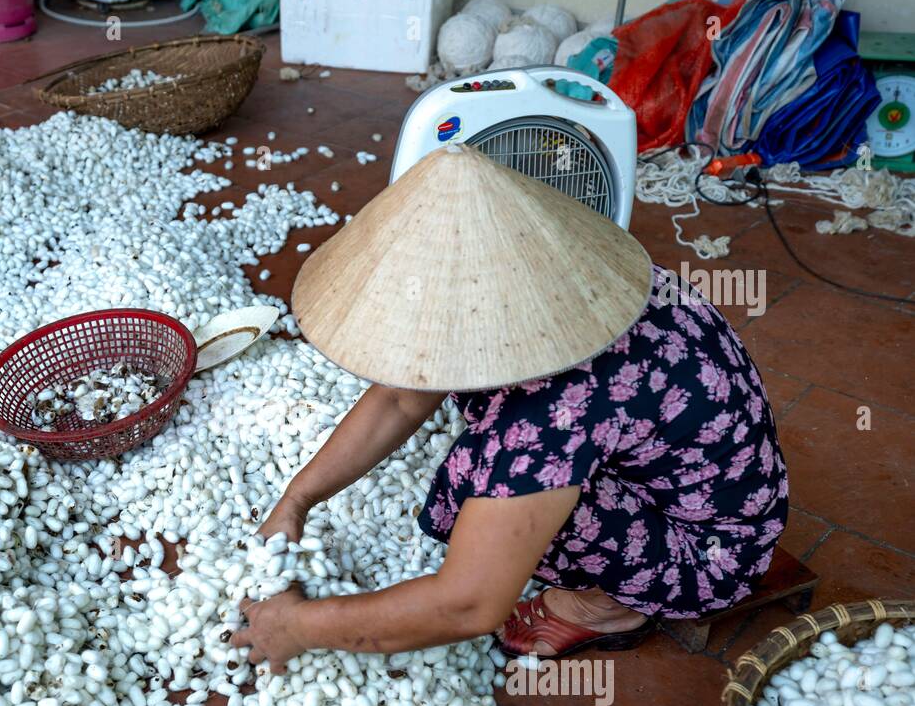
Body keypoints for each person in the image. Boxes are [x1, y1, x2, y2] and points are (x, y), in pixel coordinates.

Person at [232, 145, 788, 672]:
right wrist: (297, 501)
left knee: (490, 472)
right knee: (492, 463)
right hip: (719, 481)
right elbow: (402, 394)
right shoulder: (581, 280)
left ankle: (606, 605)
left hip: (712, 551)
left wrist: (298, 627)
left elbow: (467, 605)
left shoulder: (549, 422)